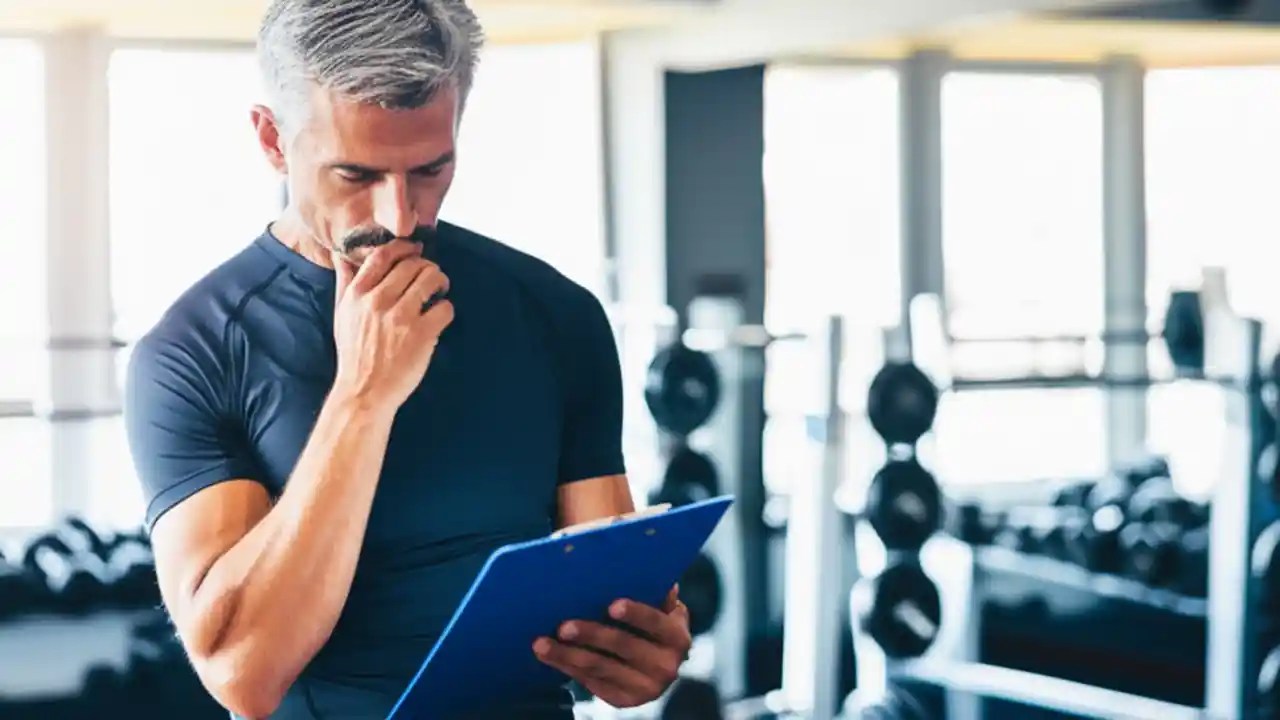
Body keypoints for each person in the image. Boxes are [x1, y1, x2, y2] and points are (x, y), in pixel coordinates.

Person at [123, 1, 691, 718]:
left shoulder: (556, 314)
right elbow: (243, 671)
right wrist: (364, 394)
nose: (398, 217)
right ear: (272, 139)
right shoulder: (193, 352)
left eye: (430, 169)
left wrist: (637, 651)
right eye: (355, 173)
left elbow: (599, 601)